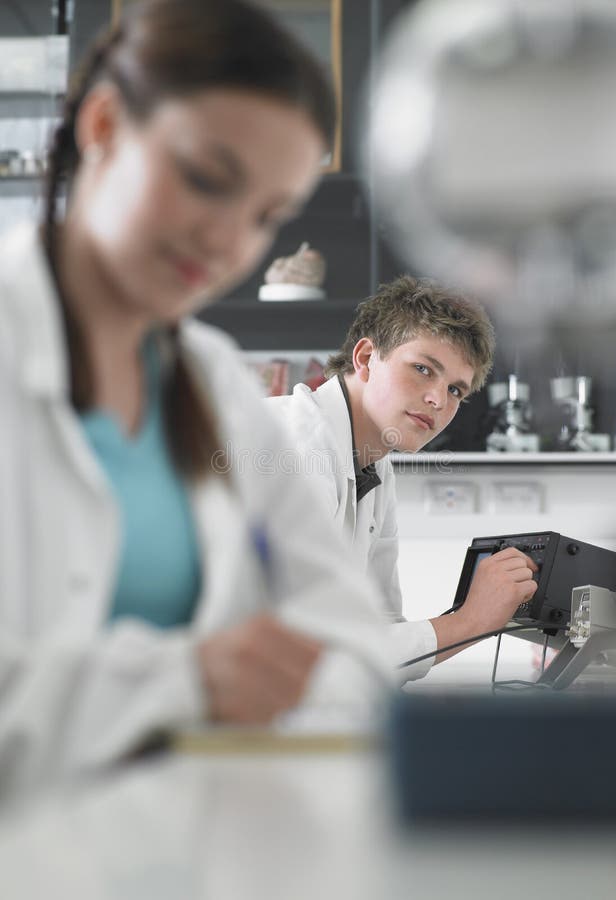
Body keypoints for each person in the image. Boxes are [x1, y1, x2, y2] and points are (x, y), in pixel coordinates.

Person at [0, 0, 390, 797]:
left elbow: (352, 640)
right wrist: (182, 683)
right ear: (104, 125)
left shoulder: (214, 382)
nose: (228, 242)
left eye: (265, 217)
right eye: (207, 179)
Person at [266, 276, 538, 680]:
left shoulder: (375, 466)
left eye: (456, 391)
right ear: (365, 358)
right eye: (423, 369)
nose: (438, 400)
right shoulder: (296, 443)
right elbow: (299, 649)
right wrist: (470, 622)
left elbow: (382, 626)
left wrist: (473, 618)